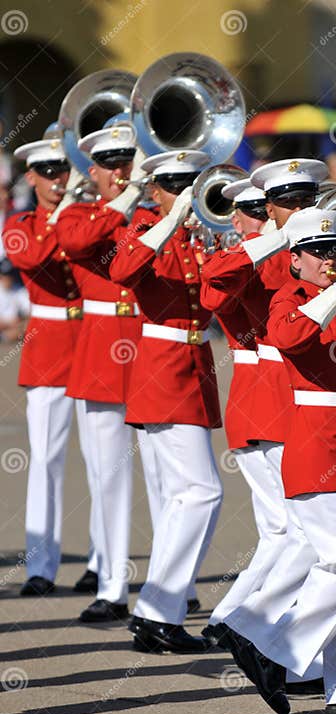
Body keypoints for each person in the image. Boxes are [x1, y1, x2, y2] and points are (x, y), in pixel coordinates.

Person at [223, 207, 336, 714]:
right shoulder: (288, 298)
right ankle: (269, 644)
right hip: (318, 442)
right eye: (317, 253)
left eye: (334, 250)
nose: (329, 260)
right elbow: (289, 336)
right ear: (294, 260)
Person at [109, 149, 222, 652]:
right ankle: (159, 611)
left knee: (183, 496)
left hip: (193, 366)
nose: (185, 194)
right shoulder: (143, 227)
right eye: (174, 186)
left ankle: (156, 614)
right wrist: (171, 220)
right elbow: (122, 270)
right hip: (162, 368)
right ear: (155, 190)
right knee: (202, 492)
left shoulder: (204, 233)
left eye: (191, 184)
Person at [55, 123, 162, 622]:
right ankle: (113, 585)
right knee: (109, 478)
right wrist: (125, 201)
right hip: (102, 350)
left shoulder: (151, 215)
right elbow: (76, 241)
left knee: (165, 477)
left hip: (150, 345)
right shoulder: (78, 214)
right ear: (92, 172)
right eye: (109, 165)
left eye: (126, 162)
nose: (120, 172)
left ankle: (172, 587)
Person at [2, 138, 93, 595]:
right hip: (49, 345)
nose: (59, 179)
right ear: (31, 177)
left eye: (65, 169)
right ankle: (40, 567)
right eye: (49, 171)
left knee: (105, 461)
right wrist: (68, 216)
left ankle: (103, 563)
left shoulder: (88, 214)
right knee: (45, 459)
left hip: (95, 341)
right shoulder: (20, 223)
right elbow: (33, 257)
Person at [200, 177, 290, 637]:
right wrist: (272, 240)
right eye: (254, 214)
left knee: (281, 528)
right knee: (288, 529)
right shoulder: (249, 260)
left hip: (263, 397)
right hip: (266, 400)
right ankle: (236, 621)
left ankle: (234, 619)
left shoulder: (275, 256)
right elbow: (211, 294)